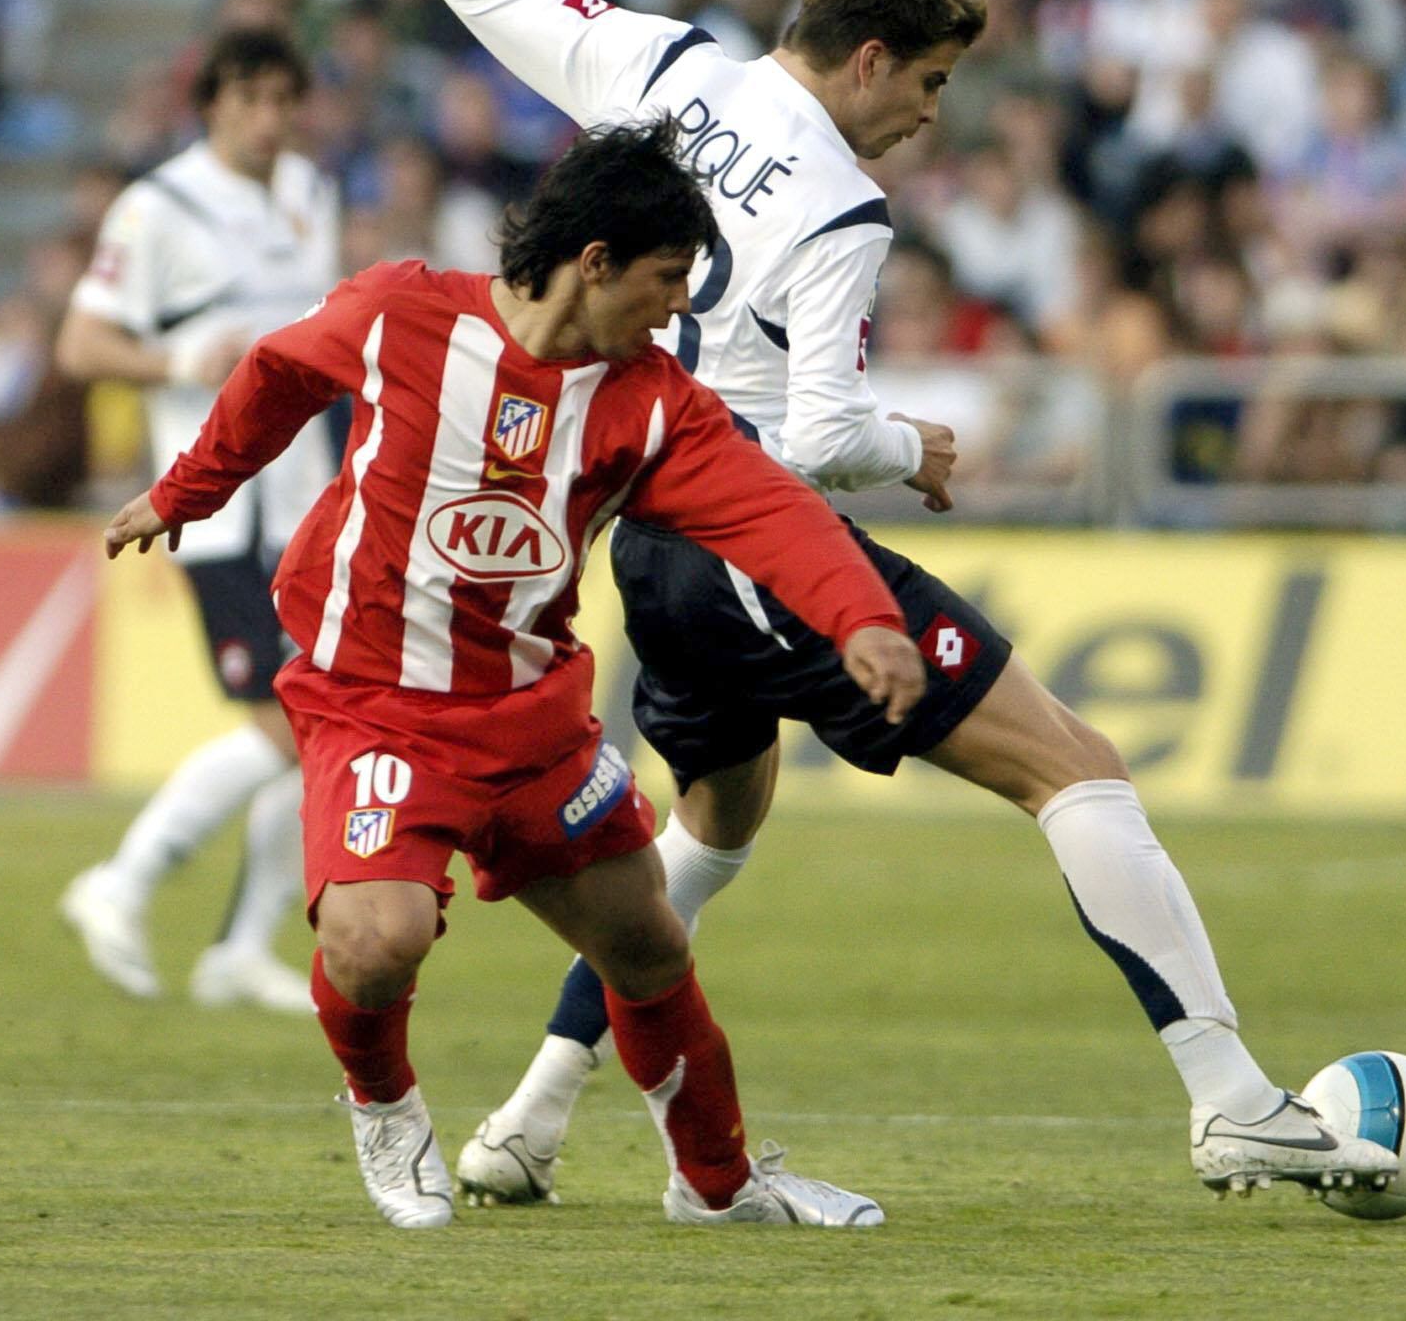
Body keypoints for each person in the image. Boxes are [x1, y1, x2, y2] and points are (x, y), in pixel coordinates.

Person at [442, 0, 1400, 1206]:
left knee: (714, 823)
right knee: (1074, 767)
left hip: (648, 547)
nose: (931, 119)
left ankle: (528, 1120)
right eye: (935, 83)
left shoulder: (665, 69)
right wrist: (914, 443)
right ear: (874, 53)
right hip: (754, 537)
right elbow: (823, 436)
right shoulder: (839, 204)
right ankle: (1233, 1097)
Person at [102, 116, 927, 1230]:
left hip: (531, 721)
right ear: (593, 263)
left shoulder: (648, 403)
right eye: (667, 275)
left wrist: (860, 618)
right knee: (376, 937)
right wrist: (187, 490)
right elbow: (276, 372)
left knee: (645, 941)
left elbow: (769, 508)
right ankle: (386, 1107)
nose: (678, 304)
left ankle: (717, 1186)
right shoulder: (401, 312)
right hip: (375, 706)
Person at [55, 27, 341, 1013]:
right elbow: (81, 343)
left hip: (306, 497)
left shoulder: (308, 190)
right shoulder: (158, 206)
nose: (272, 118)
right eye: (253, 97)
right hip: (211, 507)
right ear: (212, 102)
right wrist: (178, 363)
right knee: (284, 719)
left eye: (284, 98)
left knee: (320, 718)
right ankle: (121, 881)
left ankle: (236, 948)